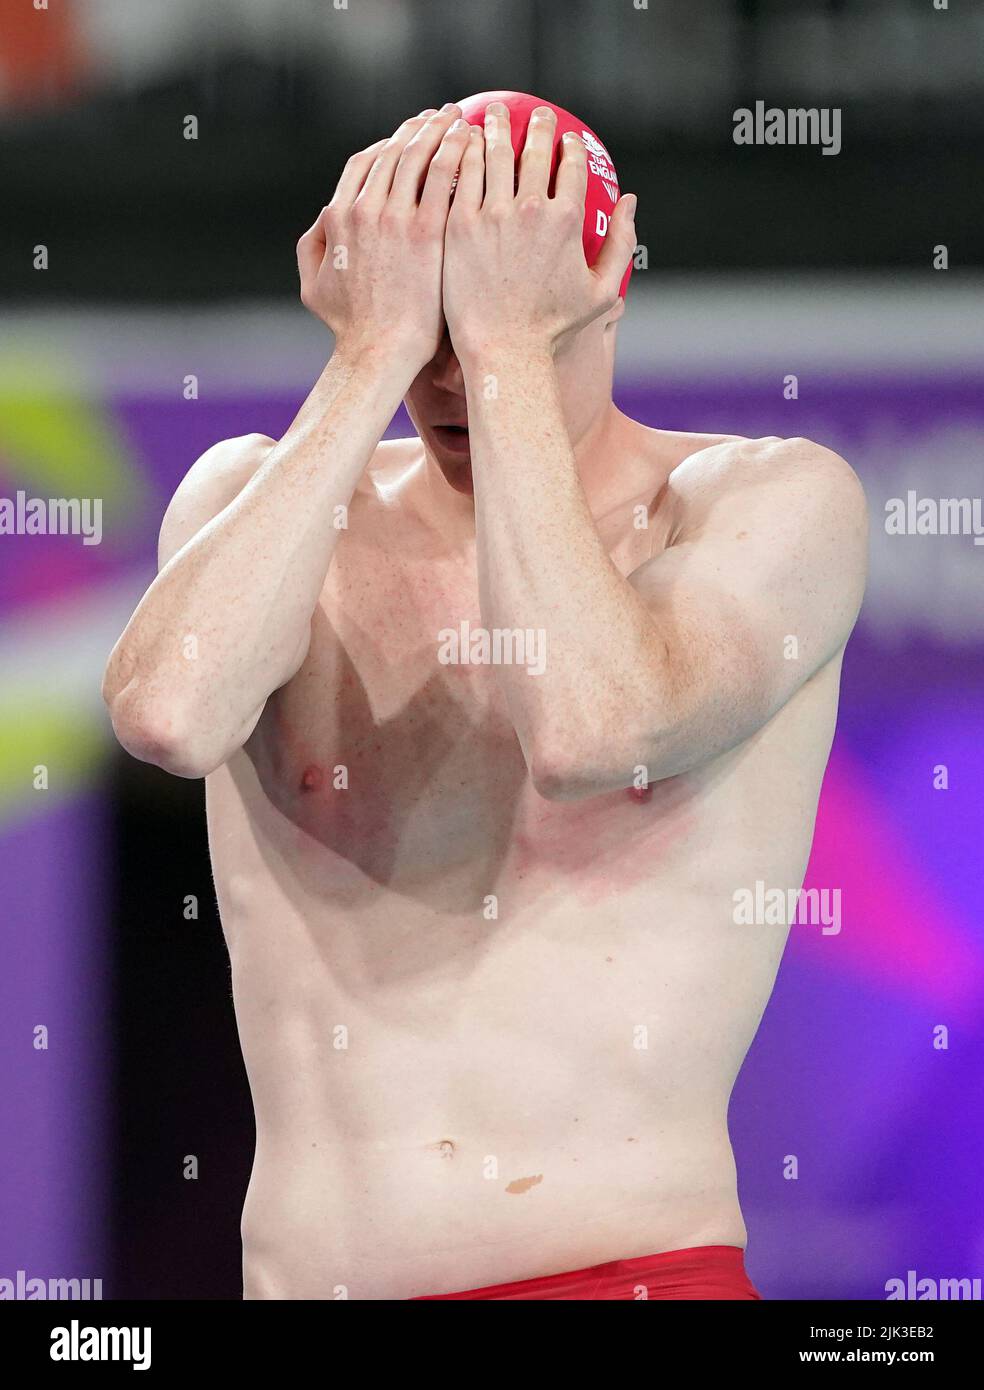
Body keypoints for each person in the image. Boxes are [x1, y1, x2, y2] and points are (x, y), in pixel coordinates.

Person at [102, 93, 867, 1301]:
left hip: (618, 1273)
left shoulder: (764, 507)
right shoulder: (259, 499)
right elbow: (168, 716)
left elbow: (589, 725)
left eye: (504, 321)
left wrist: (501, 345)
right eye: (432, 330)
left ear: (608, 276)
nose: (453, 375)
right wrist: (366, 358)